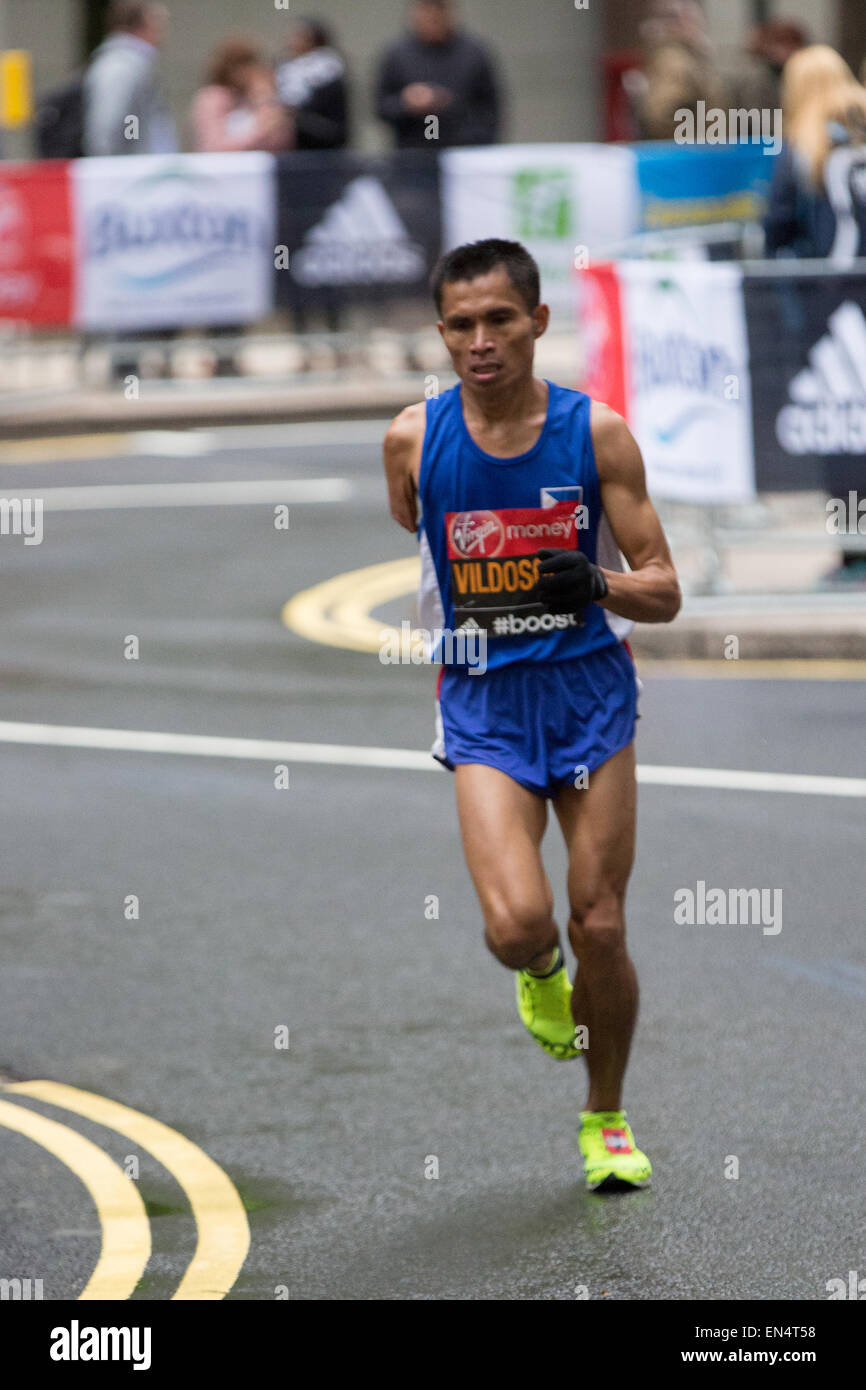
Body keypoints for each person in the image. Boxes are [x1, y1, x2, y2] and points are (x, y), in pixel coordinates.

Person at [383, 240, 681, 1191]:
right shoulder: (411, 441)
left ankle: (606, 1118)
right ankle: (537, 973)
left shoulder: (597, 437)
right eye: (461, 325)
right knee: (521, 923)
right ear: (441, 335)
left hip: (589, 695)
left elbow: (667, 591)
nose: (481, 342)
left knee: (600, 922)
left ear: (539, 323)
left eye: (500, 320)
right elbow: (413, 523)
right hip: (482, 698)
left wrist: (596, 580)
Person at [764, 46, 866, 586]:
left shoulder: (803, 144)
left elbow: (775, 229)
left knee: (841, 430)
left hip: (830, 311)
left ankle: (855, 553)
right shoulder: (860, 125)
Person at [375, 0, 501, 149]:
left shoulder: (474, 53)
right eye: (426, 11)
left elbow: (489, 110)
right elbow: (381, 106)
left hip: (462, 150)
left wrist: (450, 107)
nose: (432, 18)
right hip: (412, 153)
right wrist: (406, 103)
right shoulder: (397, 54)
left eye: (438, 11)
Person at [83, 1, 177, 156]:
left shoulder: (132, 64)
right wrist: (129, 162)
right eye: (157, 20)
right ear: (142, 24)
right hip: (135, 172)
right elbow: (119, 120)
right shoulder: (122, 65)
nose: (163, 30)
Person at [636, 0, 728, 141]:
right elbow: (660, 115)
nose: (699, 25)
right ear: (679, 22)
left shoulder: (690, 56)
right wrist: (699, 140)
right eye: (693, 19)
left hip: (697, 151)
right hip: (691, 154)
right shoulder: (674, 61)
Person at [190, 37, 292, 154]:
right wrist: (259, 131)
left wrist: (265, 97)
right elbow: (214, 146)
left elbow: (280, 142)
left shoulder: (256, 98)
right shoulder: (212, 98)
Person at [276, 18, 349, 150]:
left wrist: (294, 117)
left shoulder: (330, 74)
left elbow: (334, 128)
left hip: (325, 153)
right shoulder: (284, 70)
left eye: (300, 37)